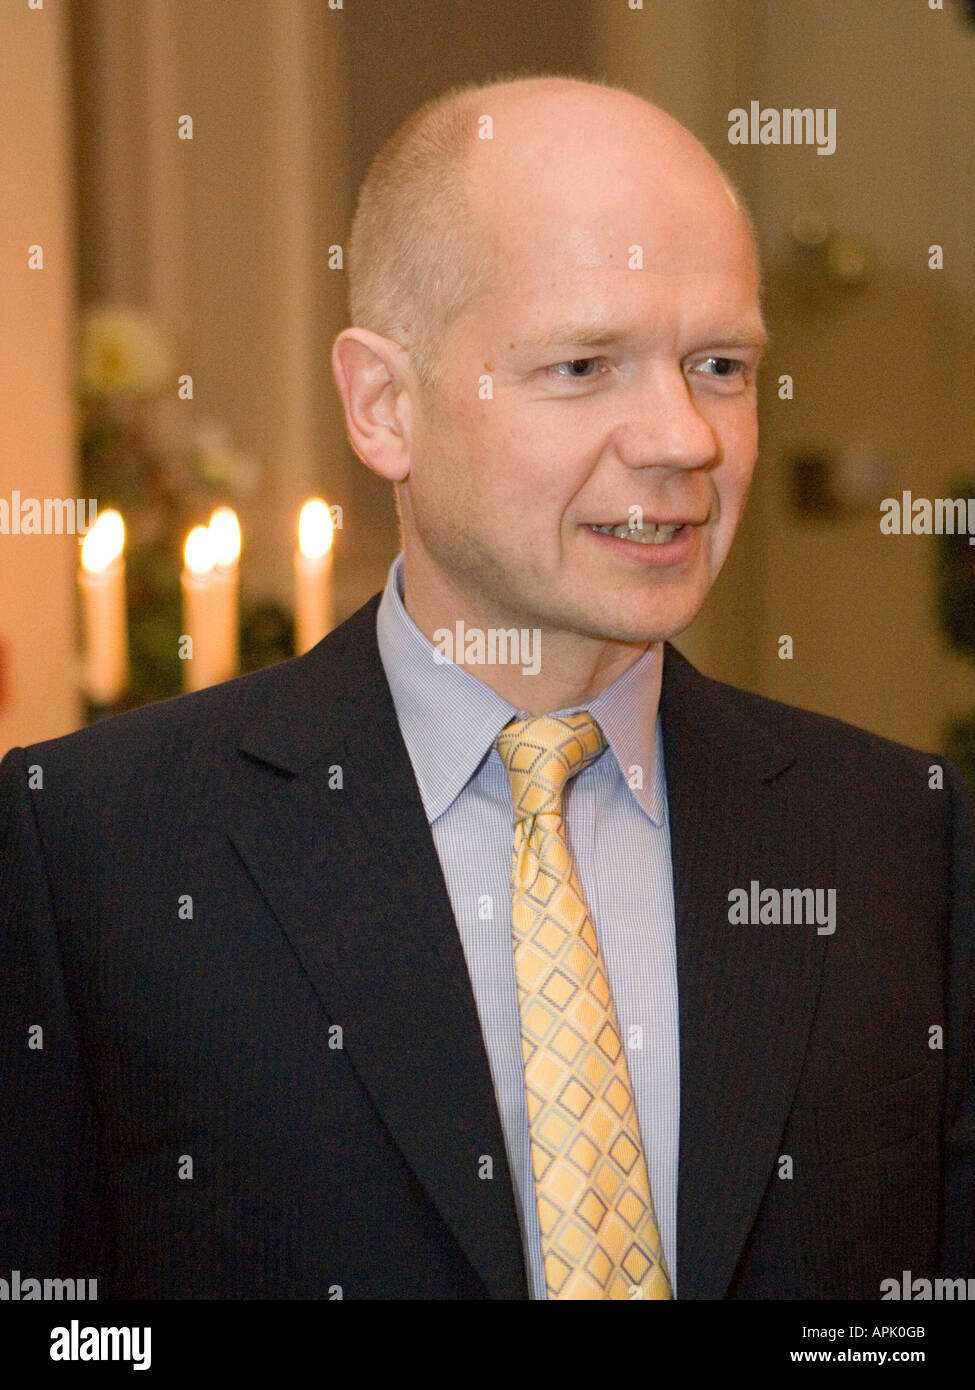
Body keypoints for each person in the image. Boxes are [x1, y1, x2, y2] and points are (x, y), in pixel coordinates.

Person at [1, 74, 972, 1301]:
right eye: (584, 365)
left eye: (720, 363)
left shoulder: (897, 834)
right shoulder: (94, 844)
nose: (685, 437)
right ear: (384, 405)